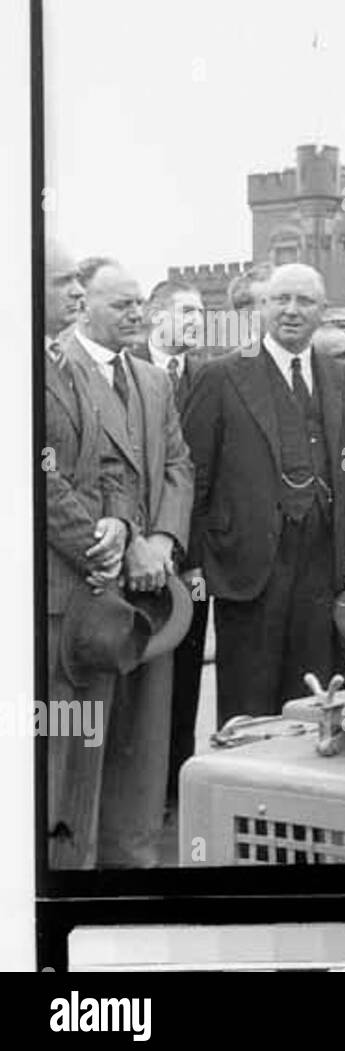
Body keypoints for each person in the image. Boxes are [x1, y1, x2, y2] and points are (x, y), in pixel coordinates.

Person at [183, 262, 345, 723]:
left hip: (322, 559)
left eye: (305, 301)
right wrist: (194, 562)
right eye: (280, 300)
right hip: (248, 566)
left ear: (323, 312)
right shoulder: (221, 376)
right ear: (264, 307)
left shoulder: (342, 379)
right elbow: (195, 477)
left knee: (312, 691)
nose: (291, 311)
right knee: (248, 698)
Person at [60, 257, 194, 867]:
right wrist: (131, 541)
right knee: (81, 742)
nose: (137, 313)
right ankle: (76, 868)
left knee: (144, 736)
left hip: (151, 584)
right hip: (89, 583)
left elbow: (177, 466)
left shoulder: (152, 379)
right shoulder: (55, 370)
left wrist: (164, 540)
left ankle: (133, 862)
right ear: (81, 303)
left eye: (140, 302)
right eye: (120, 304)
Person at [43, 243, 133, 869]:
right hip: (48, 595)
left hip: (88, 592)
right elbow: (36, 476)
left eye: (79, 281)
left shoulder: (69, 366)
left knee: (85, 747)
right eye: (61, 283)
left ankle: (79, 874)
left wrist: (118, 527)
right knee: (48, 753)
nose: (77, 293)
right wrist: (93, 543)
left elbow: (104, 464)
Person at [139, 278, 211, 815]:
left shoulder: (209, 378)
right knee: (135, 671)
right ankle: (133, 790)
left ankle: (173, 788)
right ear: (154, 313)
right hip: (135, 552)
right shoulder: (128, 370)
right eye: (186, 311)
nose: (196, 321)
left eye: (202, 313)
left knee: (185, 675)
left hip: (195, 556)